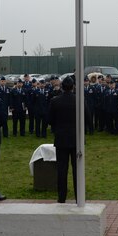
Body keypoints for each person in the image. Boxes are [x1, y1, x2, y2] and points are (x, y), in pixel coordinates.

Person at [48, 76, 78, 204]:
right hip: (76, 139)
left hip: (61, 139)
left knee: (62, 170)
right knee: (77, 170)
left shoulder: (55, 101)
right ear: (73, 87)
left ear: (61, 87)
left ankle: (61, 197)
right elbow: (88, 118)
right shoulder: (79, 100)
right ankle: (79, 196)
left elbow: (49, 120)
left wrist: (57, 128)